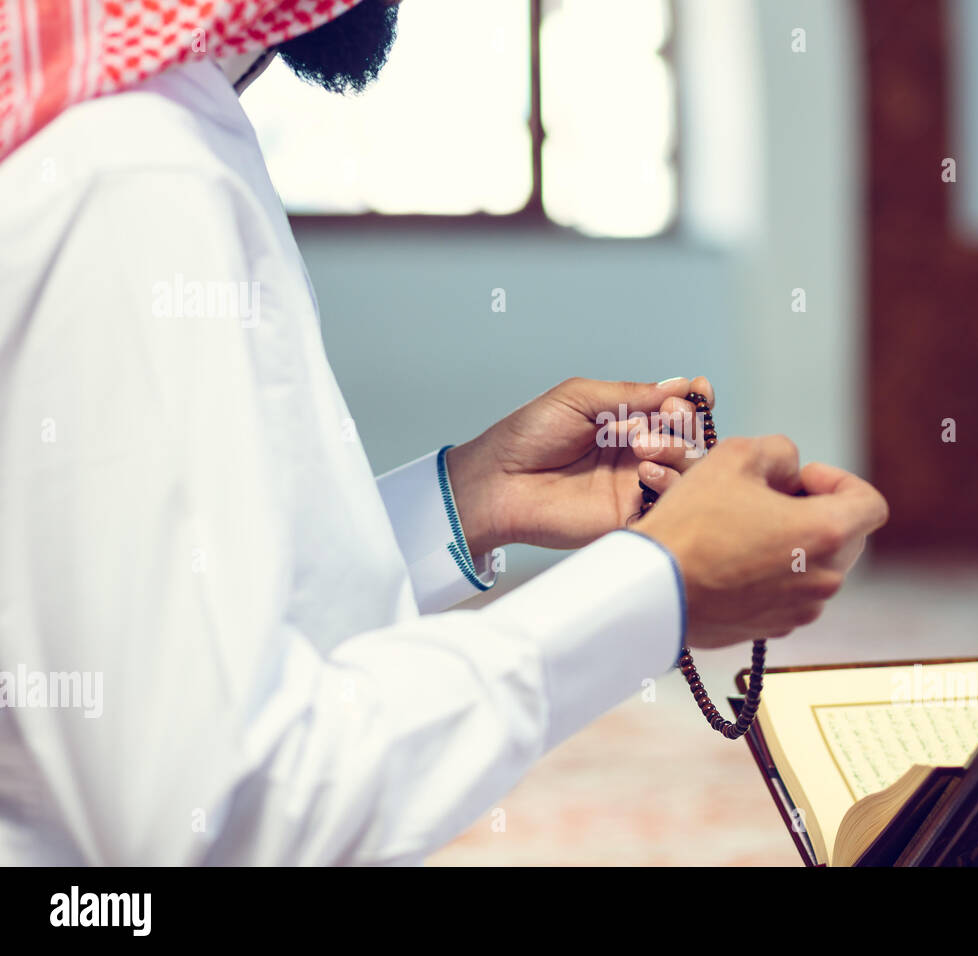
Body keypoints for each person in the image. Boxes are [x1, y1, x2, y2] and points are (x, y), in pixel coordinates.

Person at [0, 0, 888, 864]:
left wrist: (468, 500)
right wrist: (661, 588)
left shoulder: (157, 135)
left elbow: (171, 602)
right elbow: (227, 818)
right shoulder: (134, 172)